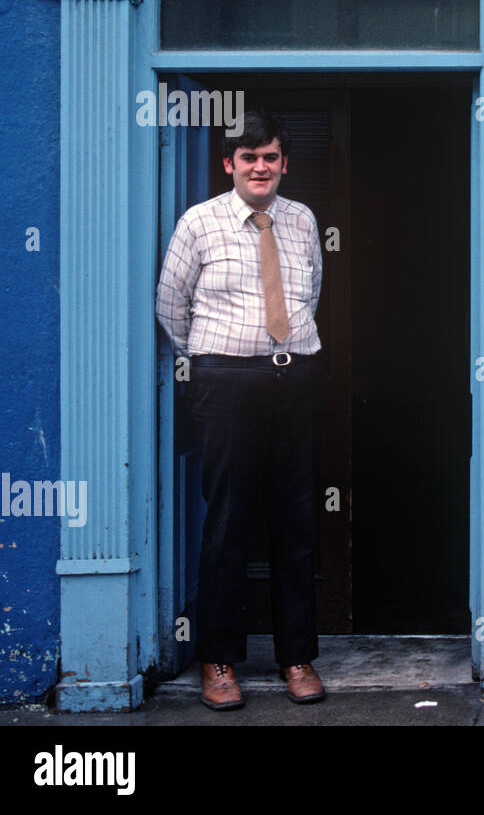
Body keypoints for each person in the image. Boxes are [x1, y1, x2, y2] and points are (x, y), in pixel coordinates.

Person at [156, 110, 327, 710]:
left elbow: (312, 293)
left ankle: (297, 657)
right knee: (227, 521)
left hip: (296, 378)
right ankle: (219, 661)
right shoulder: (199, 223)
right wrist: (215, 361)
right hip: (227, 383)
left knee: (298, 520)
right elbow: (170, 307)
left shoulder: (302, 221)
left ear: (284, 162)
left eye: (271, 157)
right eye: (248, 158)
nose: (261, 167)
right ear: (230, 164)